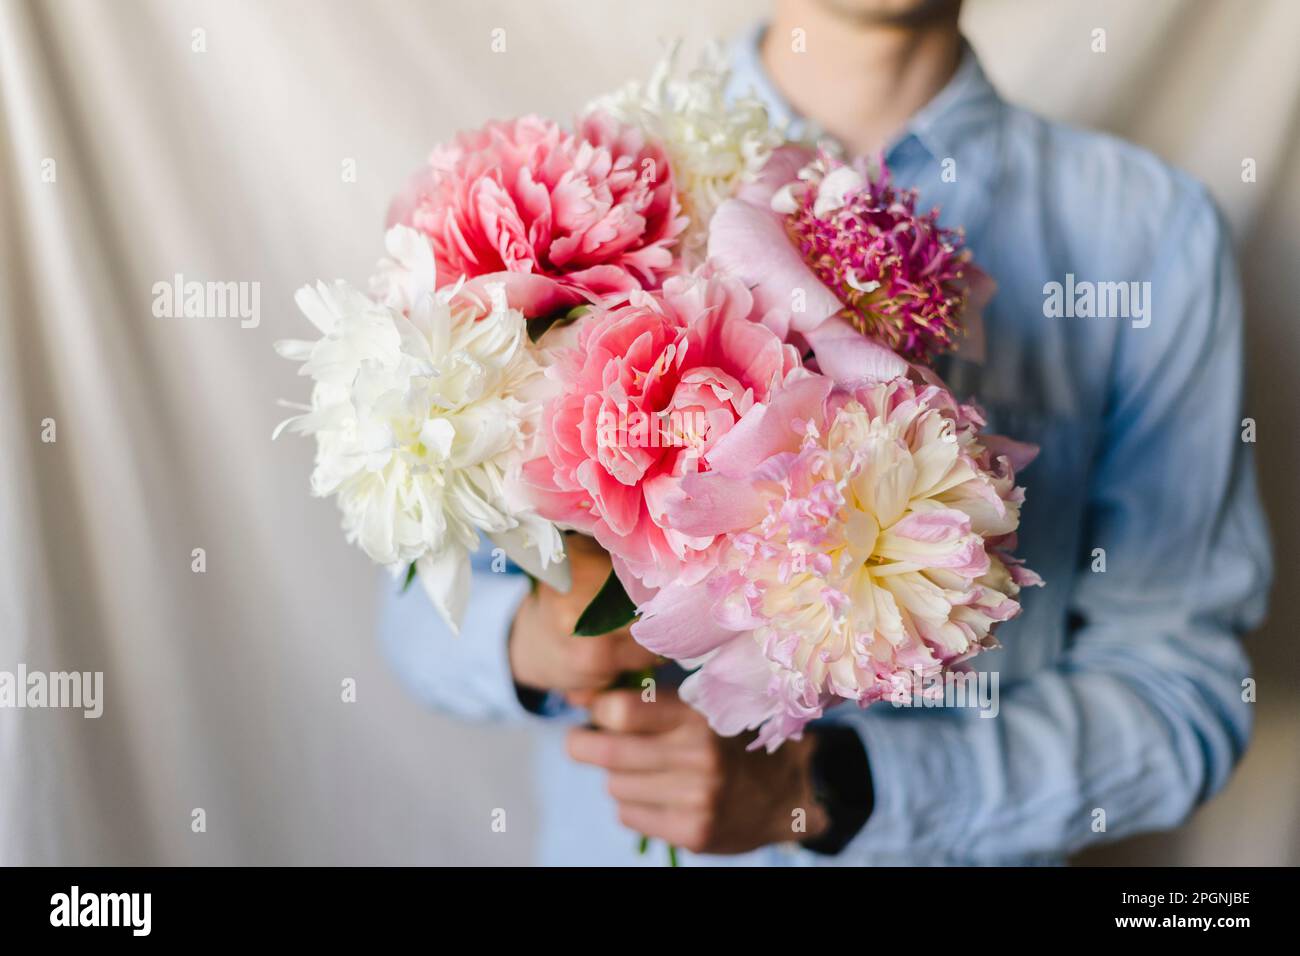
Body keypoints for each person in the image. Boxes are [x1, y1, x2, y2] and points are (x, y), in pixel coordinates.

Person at [380, 0, 1272, 865]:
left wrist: (834, 788)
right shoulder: (578, 189)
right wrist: (541, 638)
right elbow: (412, 615)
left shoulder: (1150, 238)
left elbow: (1179, 689)